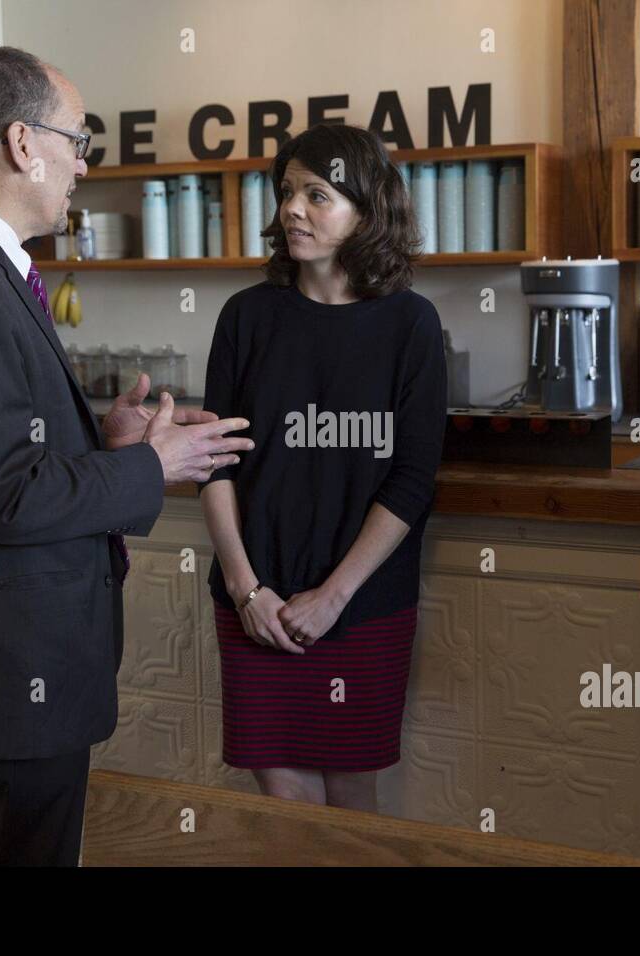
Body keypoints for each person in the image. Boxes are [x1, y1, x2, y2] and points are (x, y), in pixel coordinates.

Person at [0, 46, 252, 865]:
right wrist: (154, 466)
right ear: (21, 143)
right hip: (5, 670)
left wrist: (100, 445)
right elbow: (1, 498)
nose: (82, 163)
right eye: (78, 140)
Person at [198, 124, 446, 811]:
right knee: (282, 808)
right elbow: (215, 465)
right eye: (286, 192)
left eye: (317, 194)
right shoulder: (245, 317)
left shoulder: (411, 325)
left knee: (351, 802)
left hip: (362, 605)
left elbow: (412, 478)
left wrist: (334, 596)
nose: (293, 209)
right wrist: (249, 592)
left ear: (368, 210)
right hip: (256, 604)